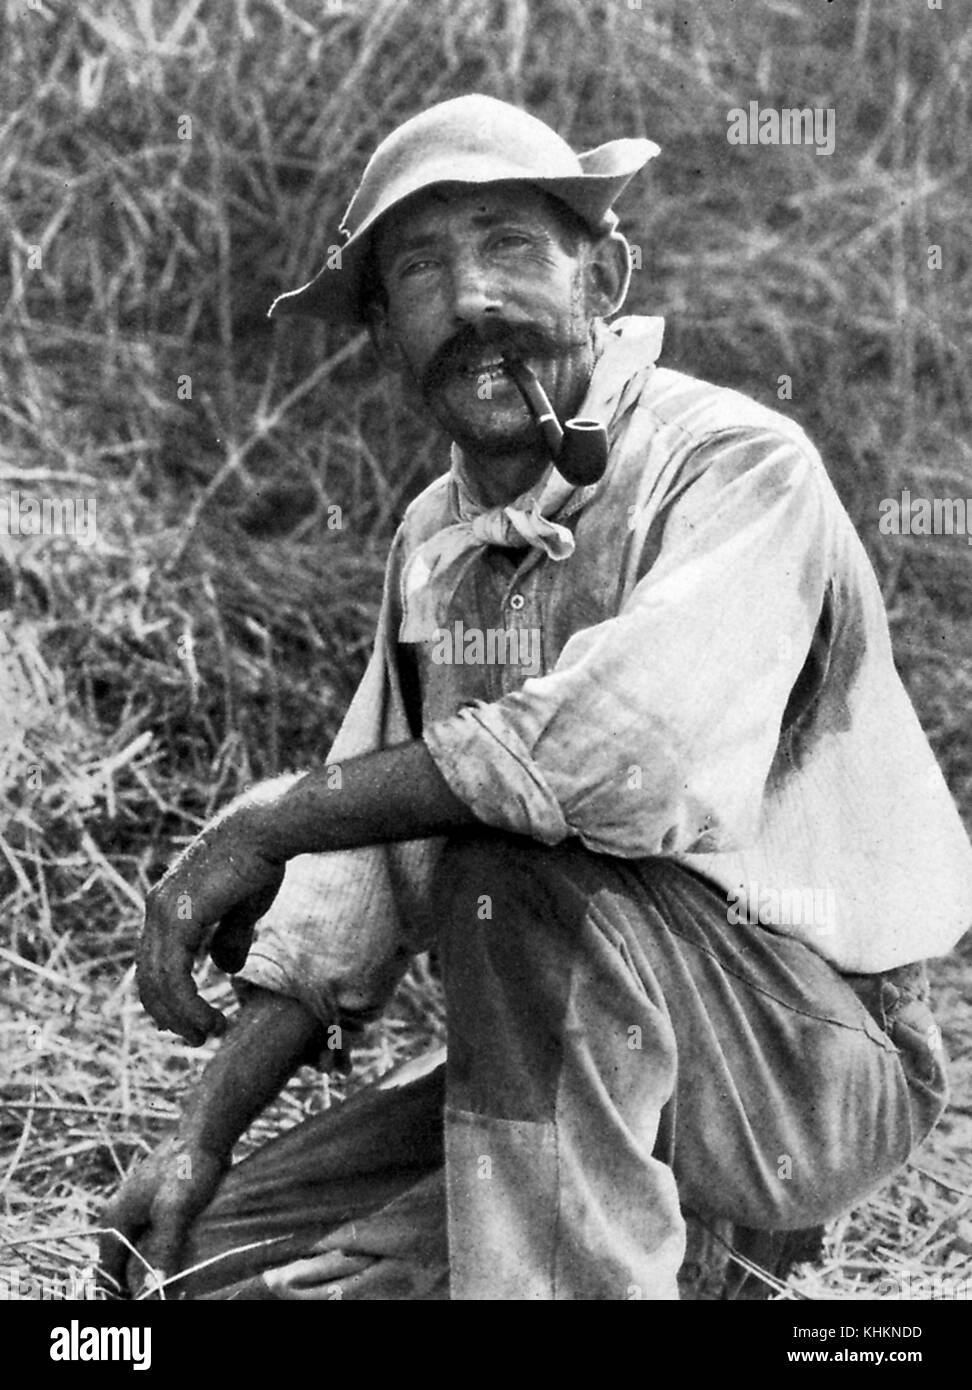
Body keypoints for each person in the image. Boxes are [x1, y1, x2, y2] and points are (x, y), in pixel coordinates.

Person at [99, 95, 972, 1301]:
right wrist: (200, 1128)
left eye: (511, 245)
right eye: (419, 269)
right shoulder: (432, 541)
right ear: (382, 334)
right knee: (194, 1264)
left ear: (604, 275)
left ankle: (671, 1240)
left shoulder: (735, 463)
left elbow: (619, 755)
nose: (470, 304)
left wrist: (267, 819)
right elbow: (354, 886)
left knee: (514, 877)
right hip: (579, 1046)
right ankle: (670, 1251)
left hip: (807, 1062)